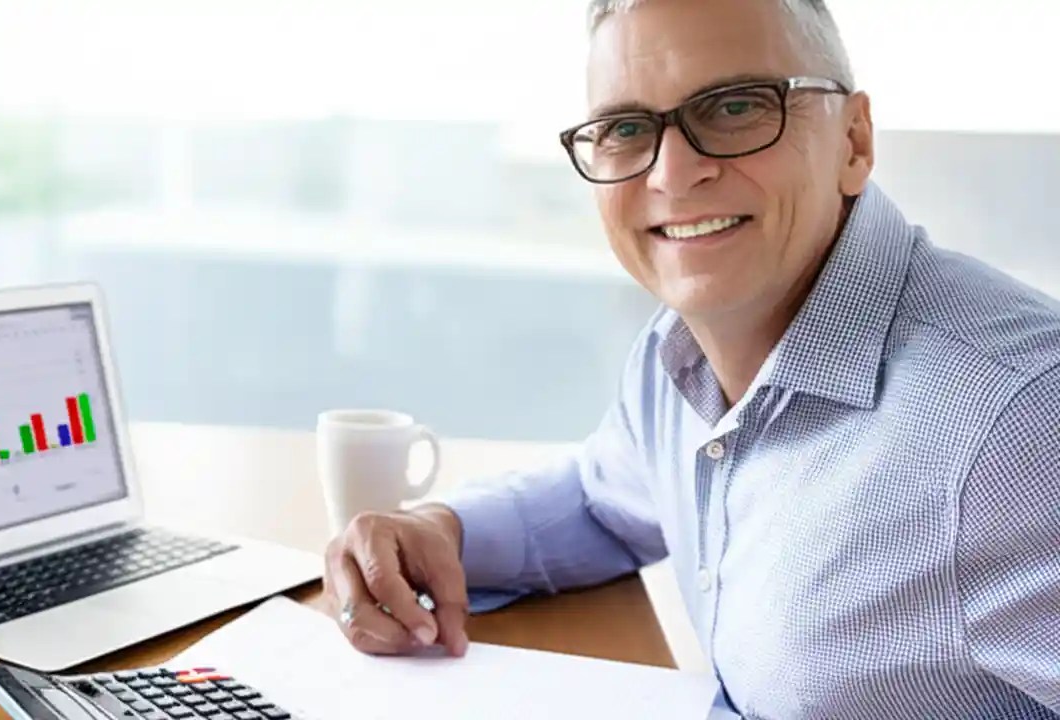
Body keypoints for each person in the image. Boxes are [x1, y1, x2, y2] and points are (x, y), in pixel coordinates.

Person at [320, 0, 1060, 716]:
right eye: (625, 128)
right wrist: (442, 531)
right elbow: (602, 500)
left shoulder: (1023, 429)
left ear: (854, 142)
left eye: (736, 107)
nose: (672, 175)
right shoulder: (680, 348)